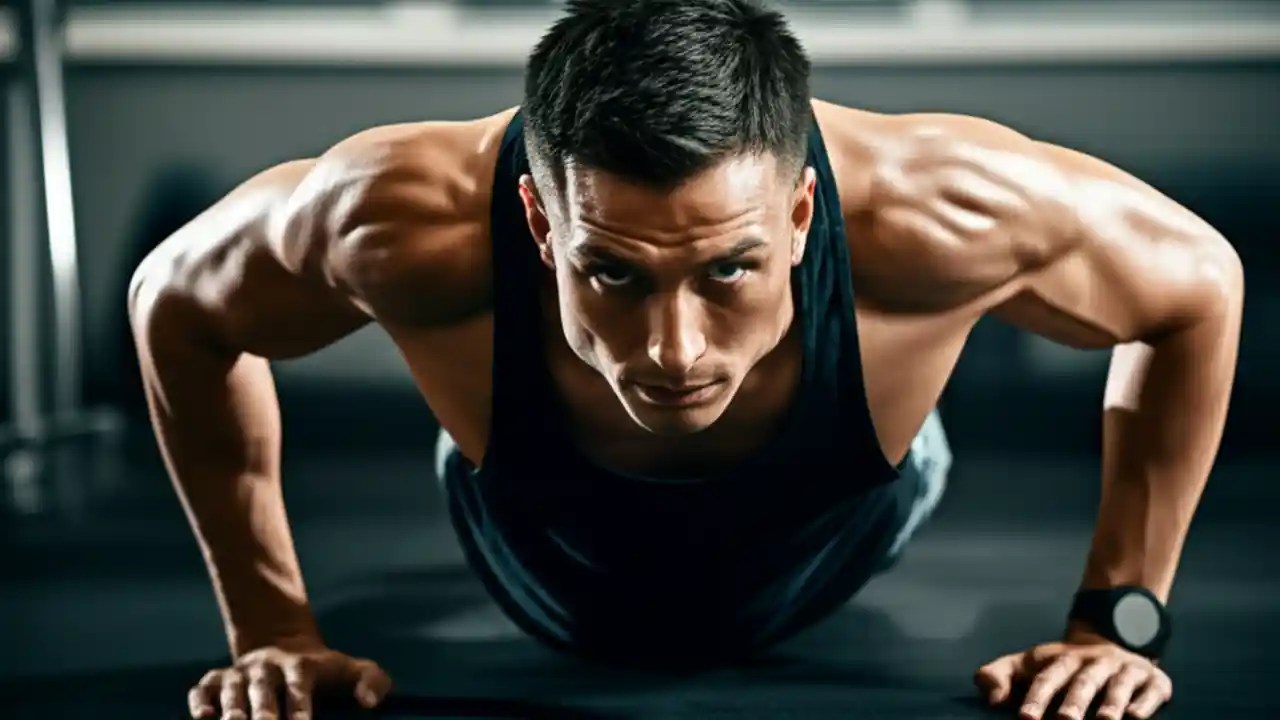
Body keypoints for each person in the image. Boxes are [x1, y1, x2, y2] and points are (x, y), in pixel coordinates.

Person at [126, 2, 1242, 719]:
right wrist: (271, 631)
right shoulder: (395, 217)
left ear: (800, 213)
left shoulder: (942, 209)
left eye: (726, 272)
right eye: (612, 272)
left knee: (895, 384)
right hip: (536, 538)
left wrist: (1116, 624)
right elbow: (171, 300)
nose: (673, 352)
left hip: (847, 518)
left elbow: (1196, 284)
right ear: (536, 218)